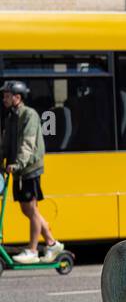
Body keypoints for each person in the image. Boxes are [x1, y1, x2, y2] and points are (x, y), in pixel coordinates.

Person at [1, 81, 62, 263]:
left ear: (17, 97)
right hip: (20, 170)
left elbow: (27, 144)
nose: (4, 98)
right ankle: (52, 243)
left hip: (30, 168)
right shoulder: (11, 116)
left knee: (31, 209)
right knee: (26, 209)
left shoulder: (30, 115)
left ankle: (33, 250)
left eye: (6, 95)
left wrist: (18, 163)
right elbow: (5, 144)